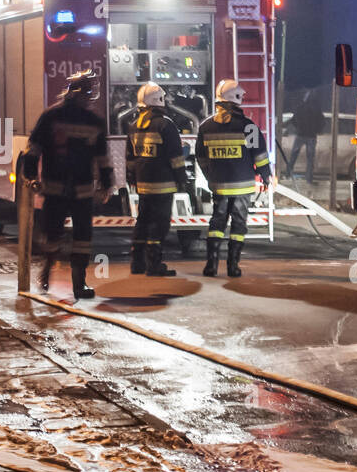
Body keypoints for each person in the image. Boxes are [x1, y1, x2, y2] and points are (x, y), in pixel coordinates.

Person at [21, 70, 112, 300]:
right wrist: (31, 176)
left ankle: (79, 284)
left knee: (83, 238)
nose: (86, 100)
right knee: (53, 236)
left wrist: (106, 183)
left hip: (82, 190)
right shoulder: (51, 117)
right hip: (55, 188)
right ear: (74, 95)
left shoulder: (93, 121)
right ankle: (47, 269)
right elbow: (34, 150)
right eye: (84, 95)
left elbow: (102, 157)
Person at [195, 78, 271, 277]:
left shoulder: (205, 127)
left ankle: (211, 266)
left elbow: (201, 157)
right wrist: (266, 177)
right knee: (238, 226)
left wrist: (210, 175)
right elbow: (260, 156)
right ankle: (233, 267)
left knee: (216, 224)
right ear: (236, 99)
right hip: (243, 187)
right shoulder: (248, 127)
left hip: (218, 186)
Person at [127, 82, 189, 277]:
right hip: (163, 185)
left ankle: (137, 264)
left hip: (143, 185)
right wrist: (182, 179)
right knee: (159, 224)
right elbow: (176, 157)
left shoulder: (133, 126)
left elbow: (130, 157)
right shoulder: (166, 125)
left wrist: (132, 178)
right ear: (159, 101)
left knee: (143, 221)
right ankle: (154, 265)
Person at [288, 89, 324, 185]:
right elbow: (322, 121)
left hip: (301, 134)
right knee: (310, 158)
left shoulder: (301, 107)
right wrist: (317, 130)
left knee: (294, 155)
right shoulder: (317, 108)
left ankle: (288, 173)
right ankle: (309, 178)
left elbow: (293, 120)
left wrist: (299, 127)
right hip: (311, 136)